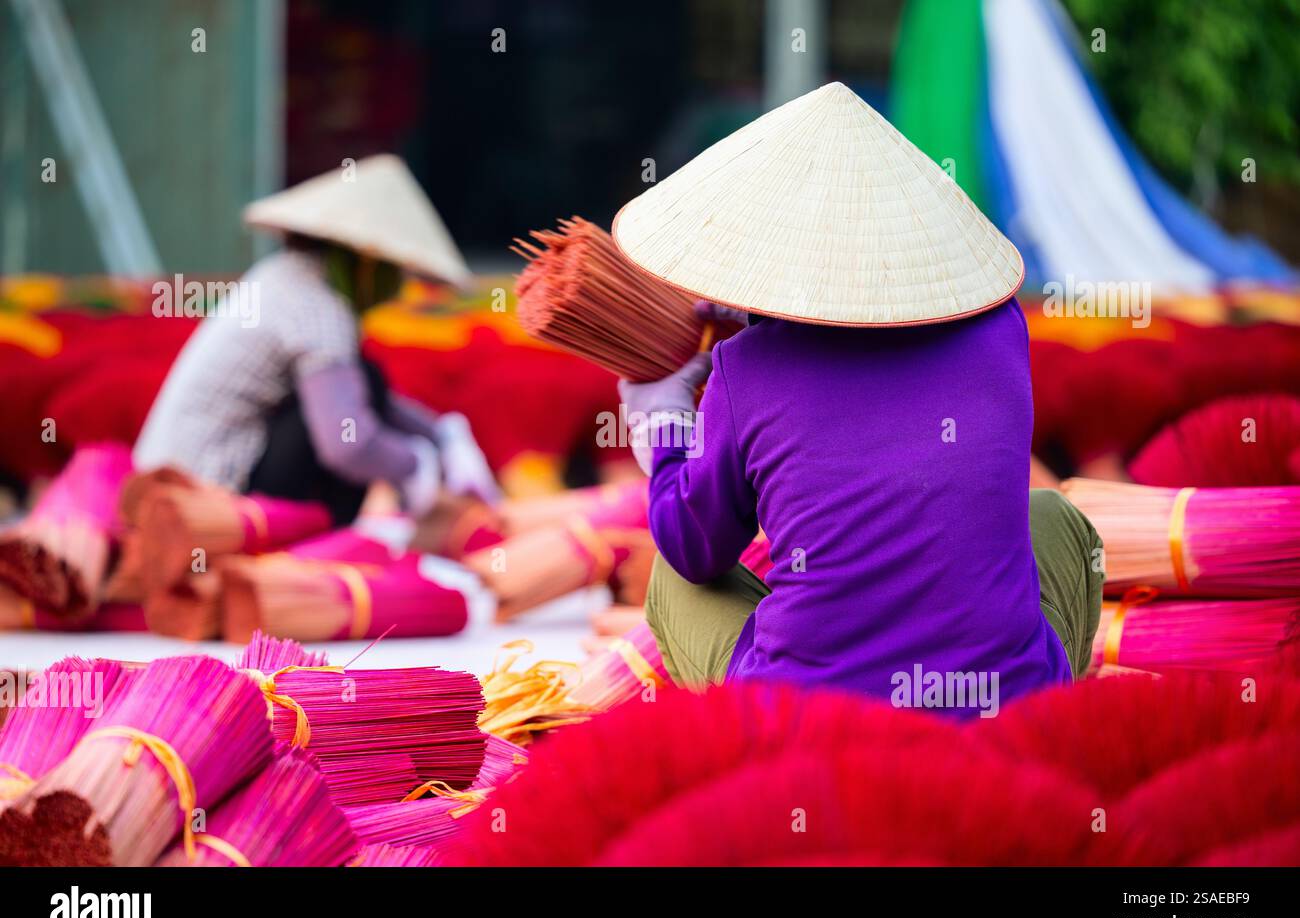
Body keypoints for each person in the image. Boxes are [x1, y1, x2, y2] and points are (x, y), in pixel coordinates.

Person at [613, 83, 1102, 716]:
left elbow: (692, 545)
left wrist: (667, 425)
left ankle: (748, 752)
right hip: (996, 705)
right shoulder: (1001, 329)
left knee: (672, 582)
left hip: (810, 719)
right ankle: (1049, 718)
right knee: (1056, 519)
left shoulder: (748, 370)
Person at [134, 155, 499, 525]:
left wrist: (443, 438)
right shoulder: (318, 306)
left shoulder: (281, 276)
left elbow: (352, 399)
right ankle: (309, 541)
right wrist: (415, 464)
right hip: (205, 499)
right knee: (364, 384)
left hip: (166, 485)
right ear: (367, 262)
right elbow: (347, 446)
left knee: (359, 382)